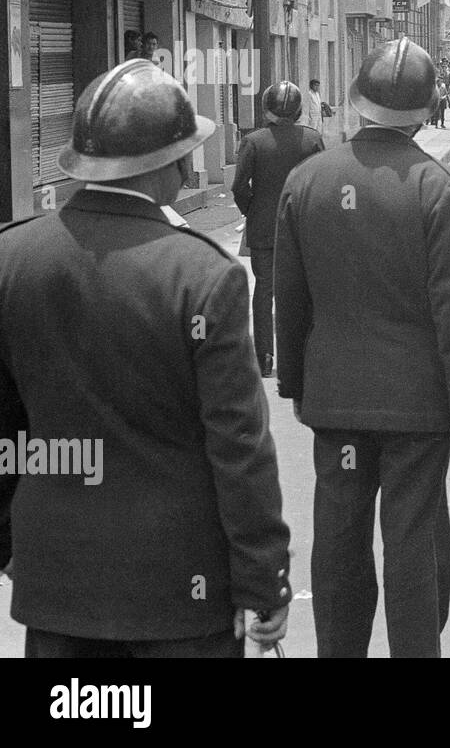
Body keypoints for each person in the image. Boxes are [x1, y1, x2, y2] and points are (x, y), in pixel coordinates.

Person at [0, 58, 291, 658]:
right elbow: (238, 448)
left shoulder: (13, 259)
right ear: (173, 165)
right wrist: (264, 579)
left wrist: (9, 543)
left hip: (58, 584)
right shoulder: (203, 276)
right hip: (182, 592)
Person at [275, 37, 450, 657]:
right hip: (417, 404)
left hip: (336, 396)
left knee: (338, 537)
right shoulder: (441, 186)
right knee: (414, 540)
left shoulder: (305, 180)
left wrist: (295, 382)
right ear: (427, 111)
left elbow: (290, 299)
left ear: (353, 101)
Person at [232, 81, 325, 376]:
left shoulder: (253, 141)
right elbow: (319, 184)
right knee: (304, 291)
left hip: (263, 228)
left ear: (266, 108)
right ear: (298, 110)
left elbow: (238, 187)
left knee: (264, 291)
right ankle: (300, 354)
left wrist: (252, 210)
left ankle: (265, 357)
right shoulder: (312, 139)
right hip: (302, 227)